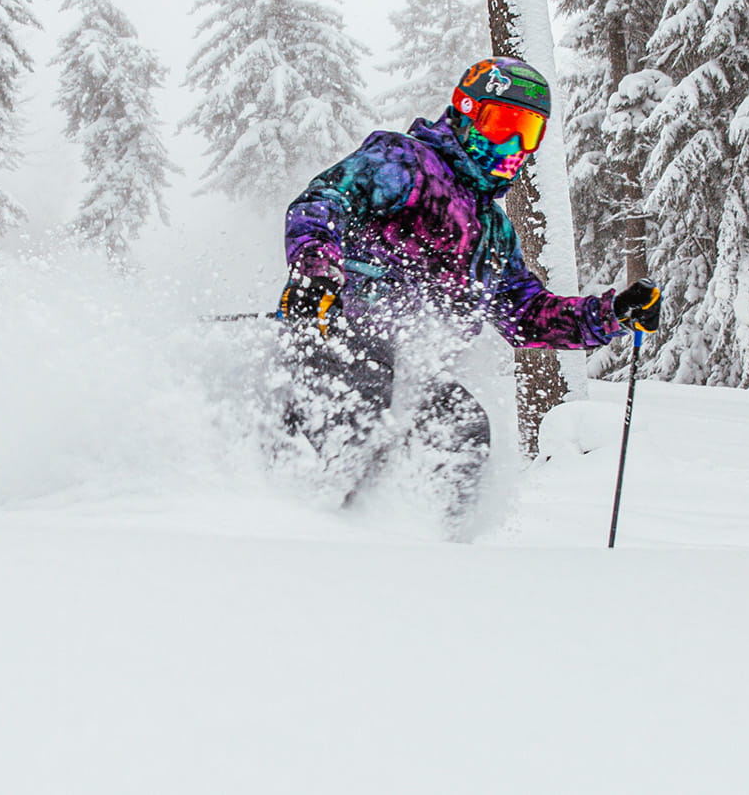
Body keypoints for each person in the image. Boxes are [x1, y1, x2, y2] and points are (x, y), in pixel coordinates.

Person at [274, 56, 662, 530]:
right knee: (360, 415)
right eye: (503, 124)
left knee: (462, 425)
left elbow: (527, 314)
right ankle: (300, 531)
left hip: (410, 366)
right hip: (338, 330)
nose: (515, 144)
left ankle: (437, 552)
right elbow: (323, 202)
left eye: (529, 131)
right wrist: (316, 269)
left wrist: (611, 314)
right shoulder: (405, 162)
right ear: (465, 112)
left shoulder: (492, 229)